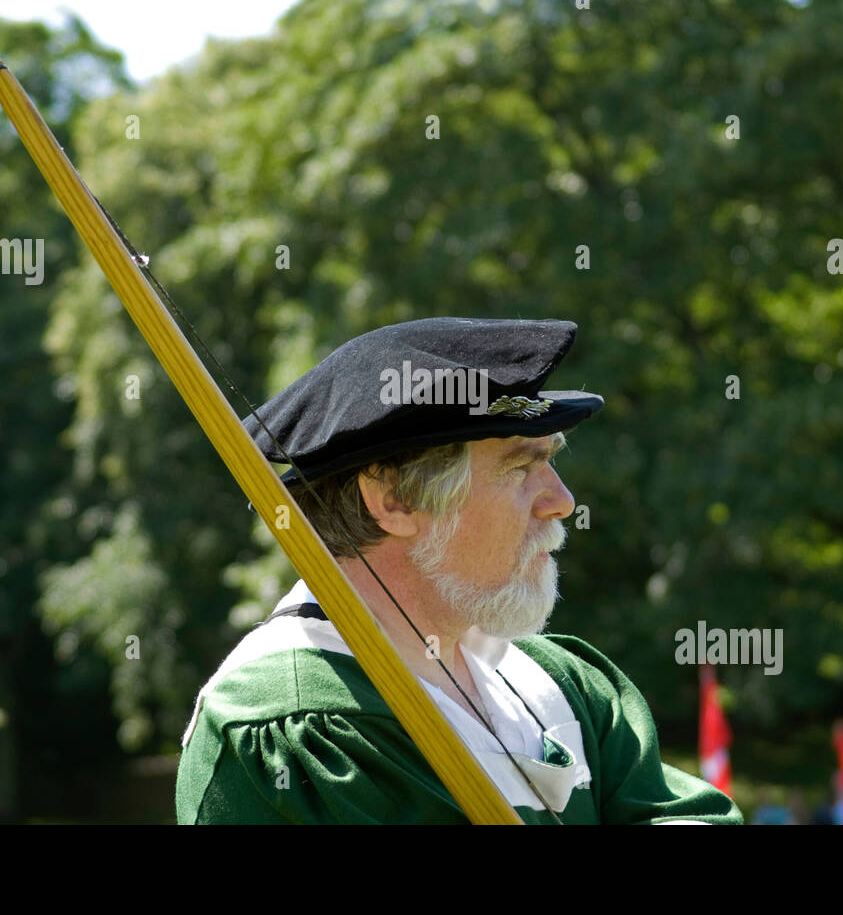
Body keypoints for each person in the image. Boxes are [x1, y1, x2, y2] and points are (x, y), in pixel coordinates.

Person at [175, 317, 743, 824]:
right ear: (394, 498)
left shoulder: (560, 684)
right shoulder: (295, 724)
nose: (562, 500)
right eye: (522, 466)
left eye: (551, 461)